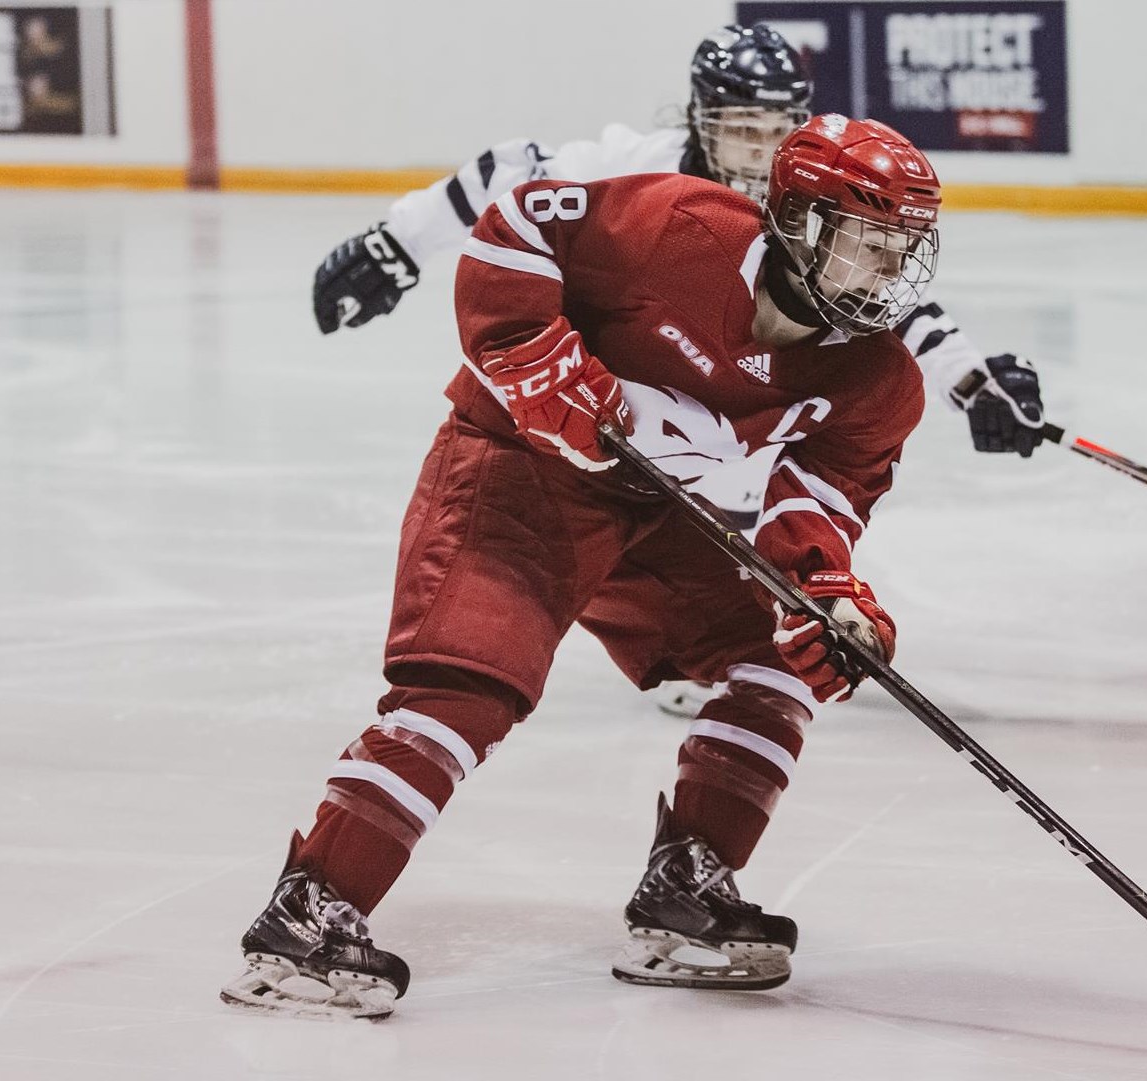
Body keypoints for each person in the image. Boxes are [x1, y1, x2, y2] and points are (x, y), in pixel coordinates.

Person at [221, 114, 943, 1019]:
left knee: (775, 658)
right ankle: (309, 911)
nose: (889, 272)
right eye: (868, 243)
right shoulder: (680, 226)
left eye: (902, 249)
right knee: (468, 690)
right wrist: (530, 357)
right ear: (798, 225)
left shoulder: (878, 379)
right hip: (518, 474)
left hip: (661, 510)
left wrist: (826, 596)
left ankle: (689, 888)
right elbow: (516, 225)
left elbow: (821, 497)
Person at [312, 23, 1038, 722]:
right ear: (697, 118)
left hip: (697, 396)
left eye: (773, 129)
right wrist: (396, 243)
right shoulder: (640, 170)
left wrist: (970, 381)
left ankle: (703, 639)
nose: (758, 152)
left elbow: (868, 303)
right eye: (739, 128)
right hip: (589, 377)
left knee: (737, 454)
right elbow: (513, 173)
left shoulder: (806, 193)